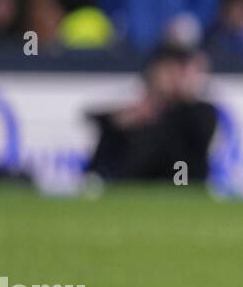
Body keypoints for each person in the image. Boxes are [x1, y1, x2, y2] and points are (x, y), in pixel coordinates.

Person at [86, 43, 218, 183]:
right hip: (136, 184)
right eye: (166, 71)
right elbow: (96, 117)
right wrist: (130, 118)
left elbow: (202, 132)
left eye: (177, 72)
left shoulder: (197, 111)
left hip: (182, 181)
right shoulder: (138, 105)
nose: (171, 78)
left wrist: (184, 96)